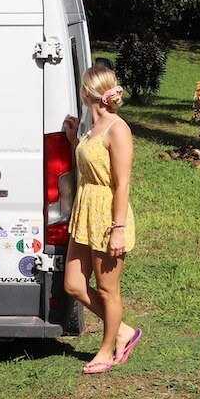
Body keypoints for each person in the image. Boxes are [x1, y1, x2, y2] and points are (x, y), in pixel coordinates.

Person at [61, 65, 140, 374]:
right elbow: (92, 162)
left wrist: (117, 230)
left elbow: (122, 183)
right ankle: (122, 330)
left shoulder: (117, 129)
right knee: (74, 284)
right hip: (86, 212)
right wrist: (73, 140)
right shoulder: (93, 127)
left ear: (86, 93)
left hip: (108, 214)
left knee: (108, 290)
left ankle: (106, 350)